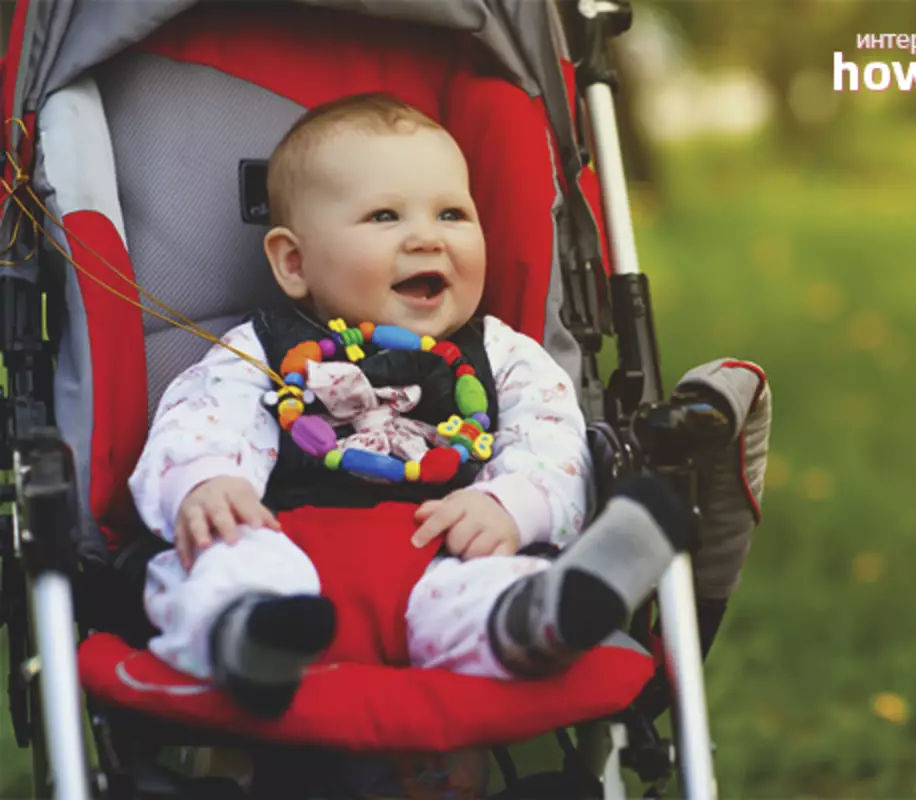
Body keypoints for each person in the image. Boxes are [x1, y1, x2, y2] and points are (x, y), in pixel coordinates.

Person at [129, 92, 687, 718]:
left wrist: (510, 503)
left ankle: (541, 618)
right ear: (294, 261)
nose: (427, 238)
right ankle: (251, 637)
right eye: (384, 217)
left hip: (447, 554)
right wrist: (208, 482)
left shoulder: (502, 355)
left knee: (490, 586)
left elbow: (554, 437)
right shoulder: (264, 350)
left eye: (452, 213)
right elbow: (204, 417)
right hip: (291, 546)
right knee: (223, 560)